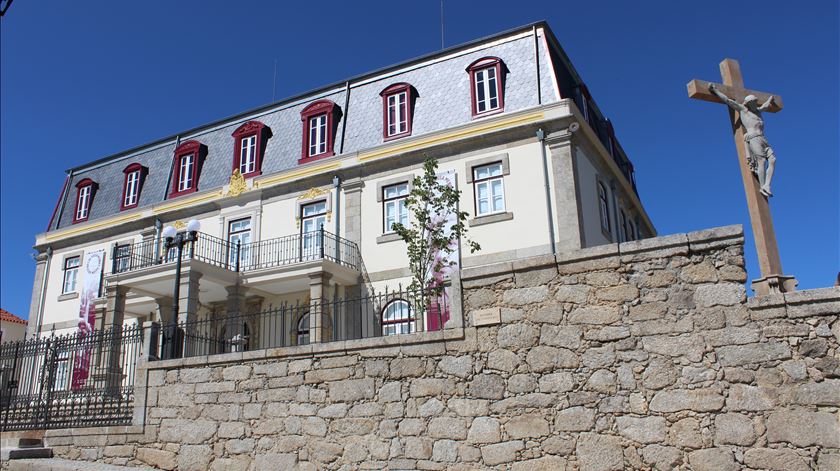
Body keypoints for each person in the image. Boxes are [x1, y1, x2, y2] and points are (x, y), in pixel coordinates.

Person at [709, 83, 777, 197]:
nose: (755, 104)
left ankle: (767, 185)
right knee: (762, 161)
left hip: (762, 139)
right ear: (748, 104)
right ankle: (762, 186)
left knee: (773, 160)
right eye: (753, 103)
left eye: (755, 102)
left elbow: (765, 105)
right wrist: (715, 91)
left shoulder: (758, 111)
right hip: (753, 138)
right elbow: (728, 101)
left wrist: (770, 99)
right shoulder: (743, 110)